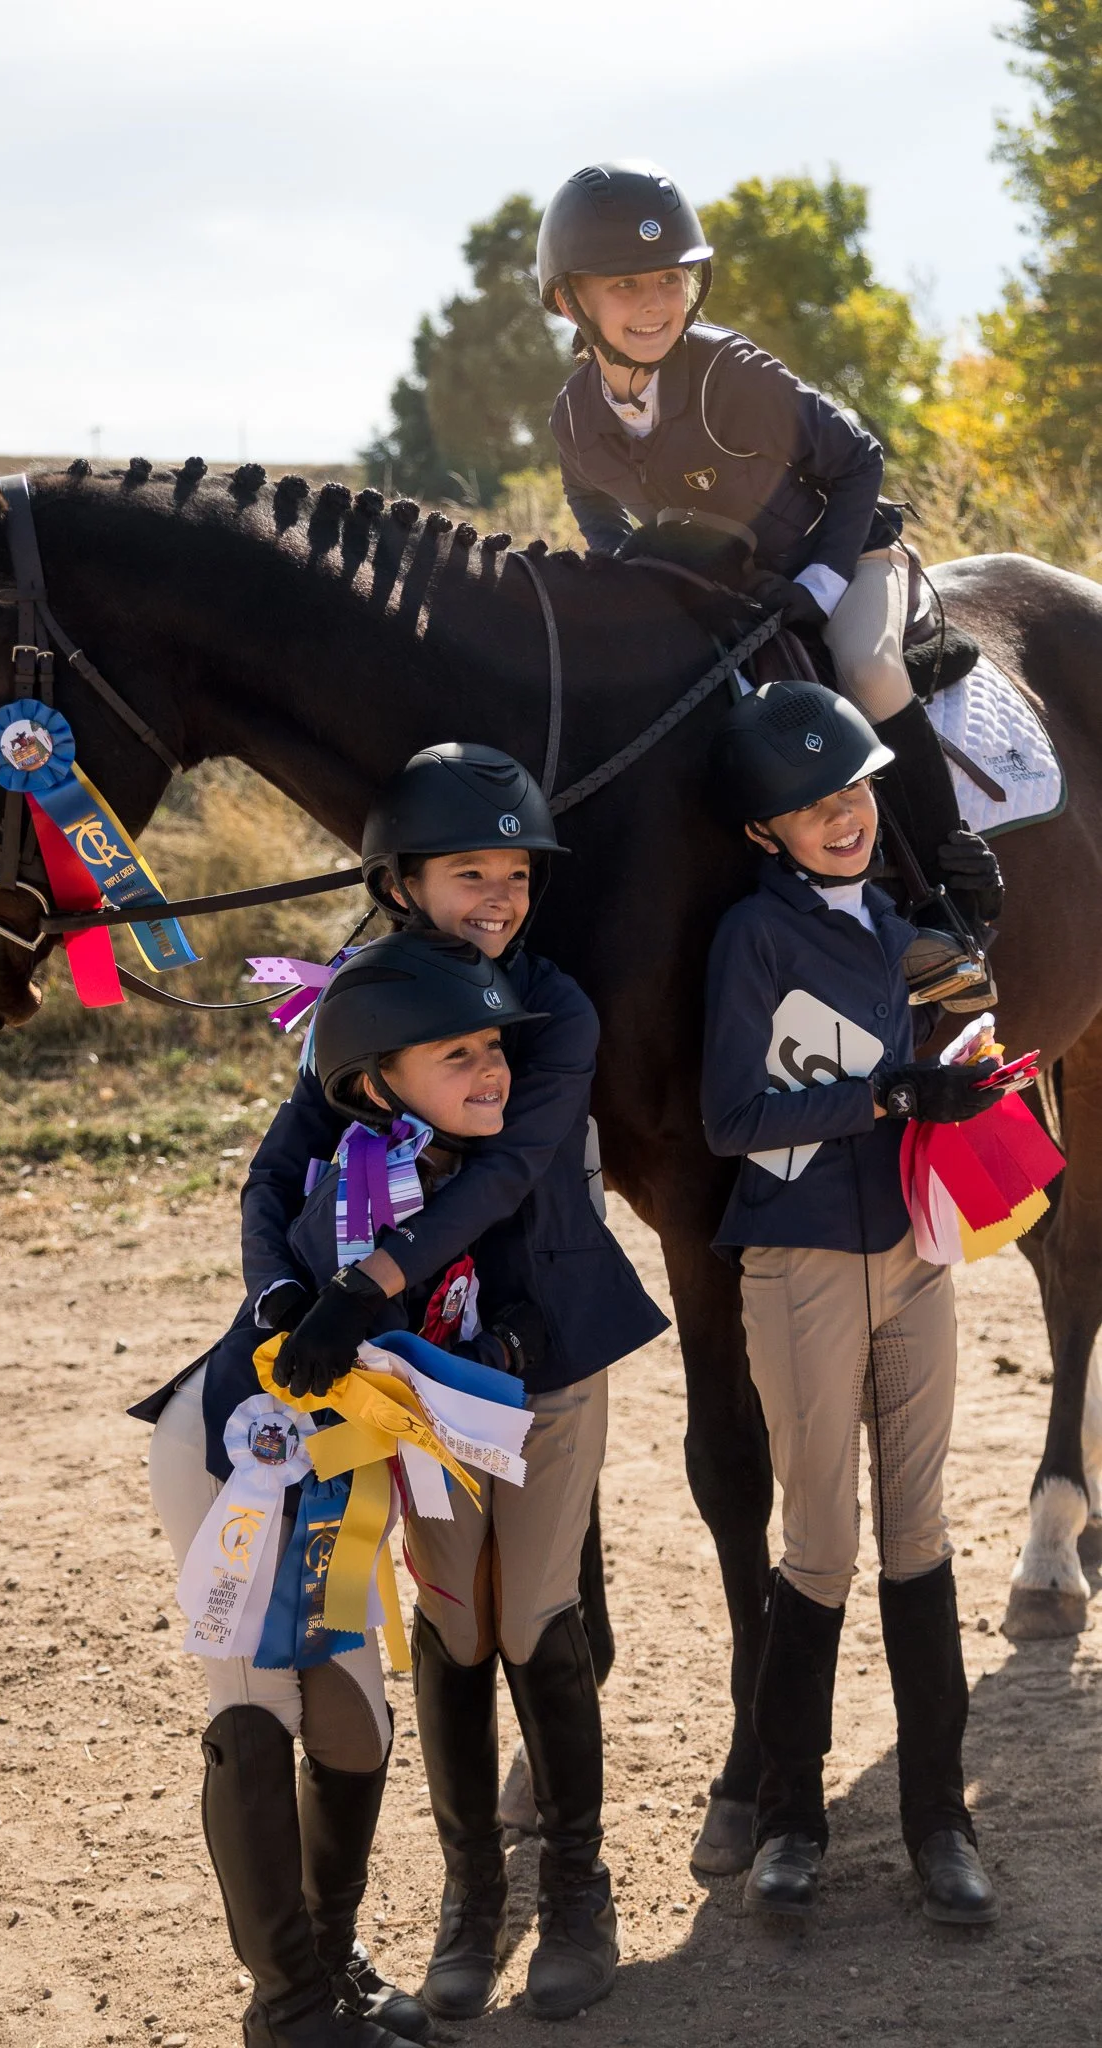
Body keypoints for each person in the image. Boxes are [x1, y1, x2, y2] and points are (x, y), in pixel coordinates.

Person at [246, 743, 669, 2024]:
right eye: (468, 870)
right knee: (451, 1617)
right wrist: (282, 1295)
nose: (499, 892)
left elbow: (506, 1173)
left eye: (516, 870)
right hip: (415, 1377)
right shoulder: (362, 1001)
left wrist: (362, 1278)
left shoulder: (556, 1006)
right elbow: (276, 1173)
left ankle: (577, 1883)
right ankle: (473, 1892)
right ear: (400, 881)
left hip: (540, 1356)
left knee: (538, 1608)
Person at [133, 932, 549, 2048]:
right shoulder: (367, 1180)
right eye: (454, 1050)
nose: (491, 1067)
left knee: (355, 1728)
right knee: (258, 1712)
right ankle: (292, 2008)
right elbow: (339, 1281)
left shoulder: (466, 1166)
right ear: (375, 1085)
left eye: (494, 1044)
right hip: (241, 1459)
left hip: (333, 1477)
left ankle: (325, 1956)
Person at [536, 159, 1004, 1009]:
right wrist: (620, 562)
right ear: (572, 302)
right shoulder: (573, 413)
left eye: (669, 280)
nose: (653, 304)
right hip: (734, 586)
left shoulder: (730, 373)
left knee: (865, 669)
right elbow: (587, 494)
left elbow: (858, 460)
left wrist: (823, 582)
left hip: (849, 558)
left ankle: (952, 897)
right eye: (626, 286)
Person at [700, 678, 1009, 1926]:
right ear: (763, 830)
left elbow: (954, 1042)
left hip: (916, 1254)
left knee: (921, 1536)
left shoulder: (894, 919)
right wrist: (883, 1101)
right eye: (813, 803)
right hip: (801, 1260)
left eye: (859, 791)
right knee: (820, 1540)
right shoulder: (751, 939)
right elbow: (732, 1116)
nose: (845, 815)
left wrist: (973, 971)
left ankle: (940, 1814)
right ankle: (790, 1814)